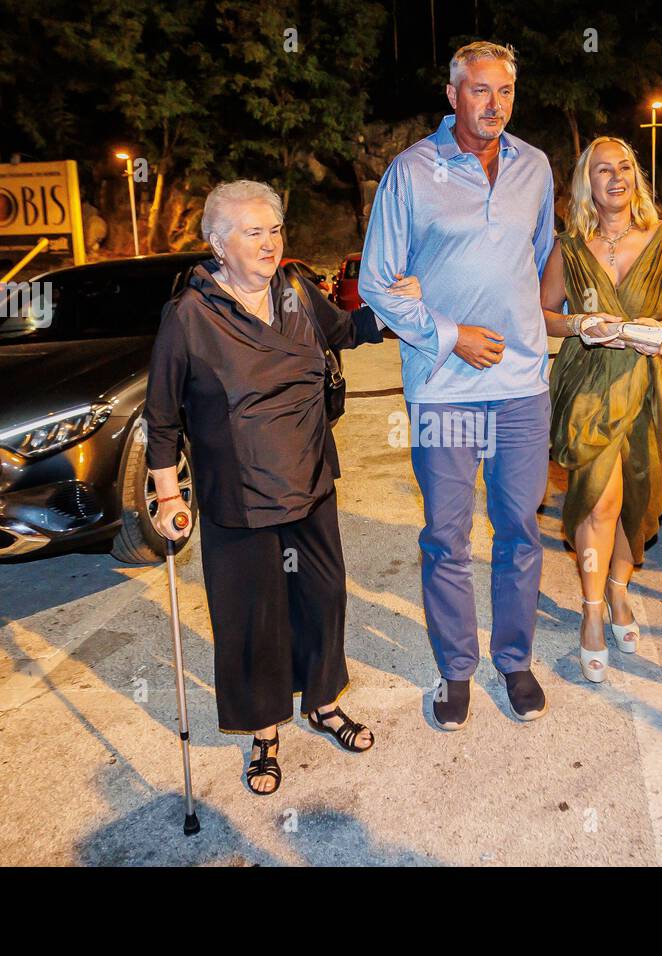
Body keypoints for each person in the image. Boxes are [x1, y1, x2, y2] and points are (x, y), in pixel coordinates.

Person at [145, 180, 422, 795]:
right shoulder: (190, 315)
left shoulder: (295, 290)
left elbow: (346, 331)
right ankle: (265, 733)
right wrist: (168, 497)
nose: (270, 243)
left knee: (321, 600)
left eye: (274, 230)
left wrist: (397, 310)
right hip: (237, 495)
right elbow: (161, 418)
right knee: (252, 617)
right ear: (219, 244)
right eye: (253, 232)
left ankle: (323, 703)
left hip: (311, 480)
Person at [359, 41, 556, 730]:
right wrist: (451, 334)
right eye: (480, 89)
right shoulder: (411, 172)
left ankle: (515, 659)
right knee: (447, 536)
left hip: (524, 384)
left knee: (520, 530)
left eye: (504, 90)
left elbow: (532, 261)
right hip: (444, 386)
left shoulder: (535, 167)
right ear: (453, 95)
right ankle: (455, 671)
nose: (494, 102)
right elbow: (375, 283)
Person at [539, 135, 662, 681]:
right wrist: (579, 324)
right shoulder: (570, 247)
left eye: (624, 167)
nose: (617, 177)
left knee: (639, 505)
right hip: (589, 385)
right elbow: (544, 312)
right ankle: (593, 611)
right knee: (598, 501)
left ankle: (620, 589)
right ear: (587, 183)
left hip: (649, 384)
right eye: (603, 170)